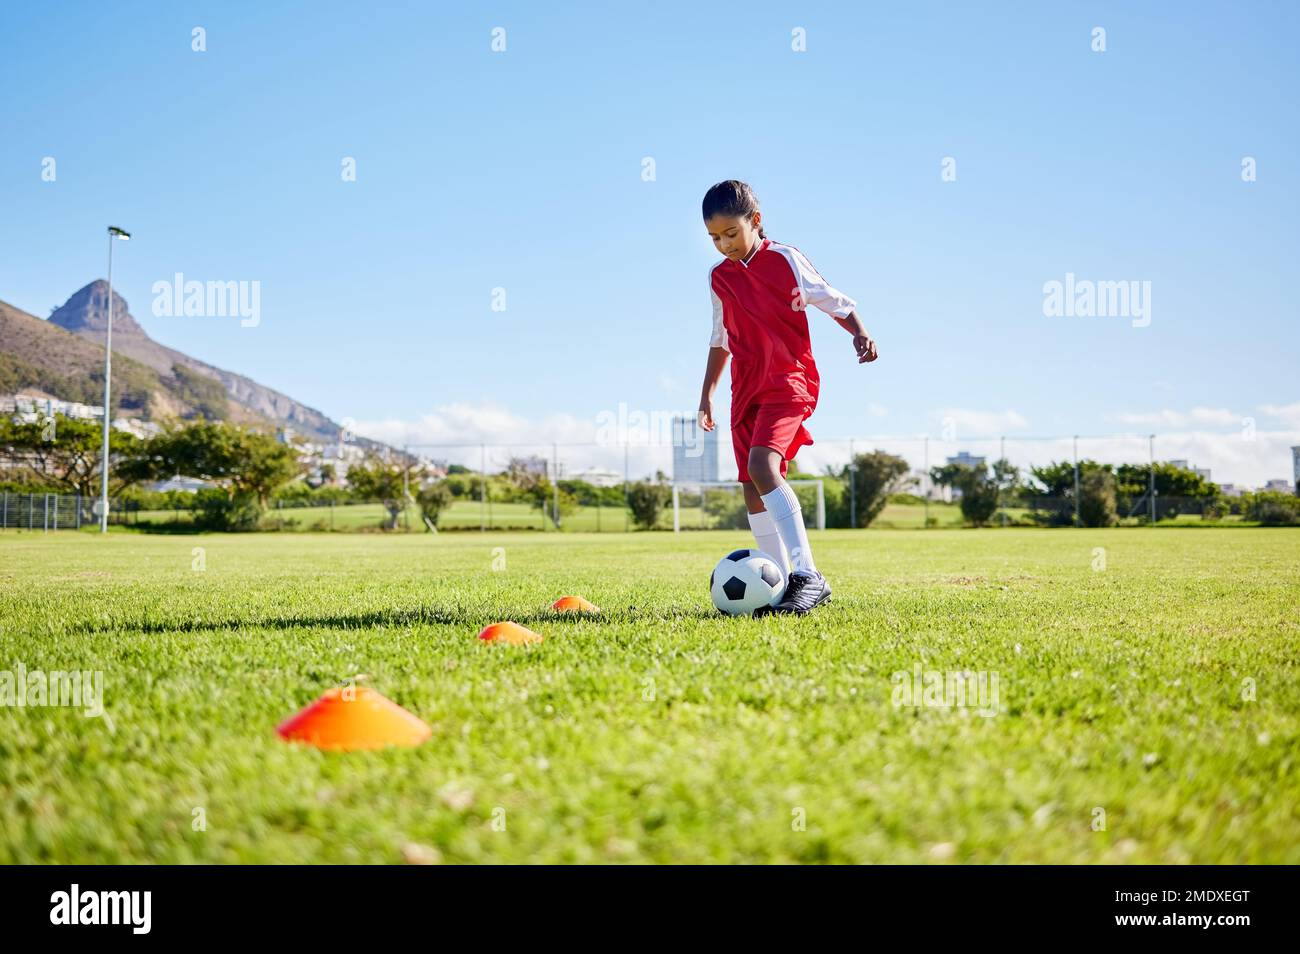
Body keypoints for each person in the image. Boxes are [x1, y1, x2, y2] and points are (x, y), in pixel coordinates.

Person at [698, 180, 878, 614]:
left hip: (788, 381)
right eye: (714, 238)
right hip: (746, 389)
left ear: (755, 221)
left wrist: (860, 333)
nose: (724, 245)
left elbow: (833, 300)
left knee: (764, 465)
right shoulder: (719, 278)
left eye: (731, 234)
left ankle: (807, 574)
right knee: (750, 485)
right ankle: (776, 583)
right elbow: (721, 337)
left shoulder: (785, 260)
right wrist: (707, 394)